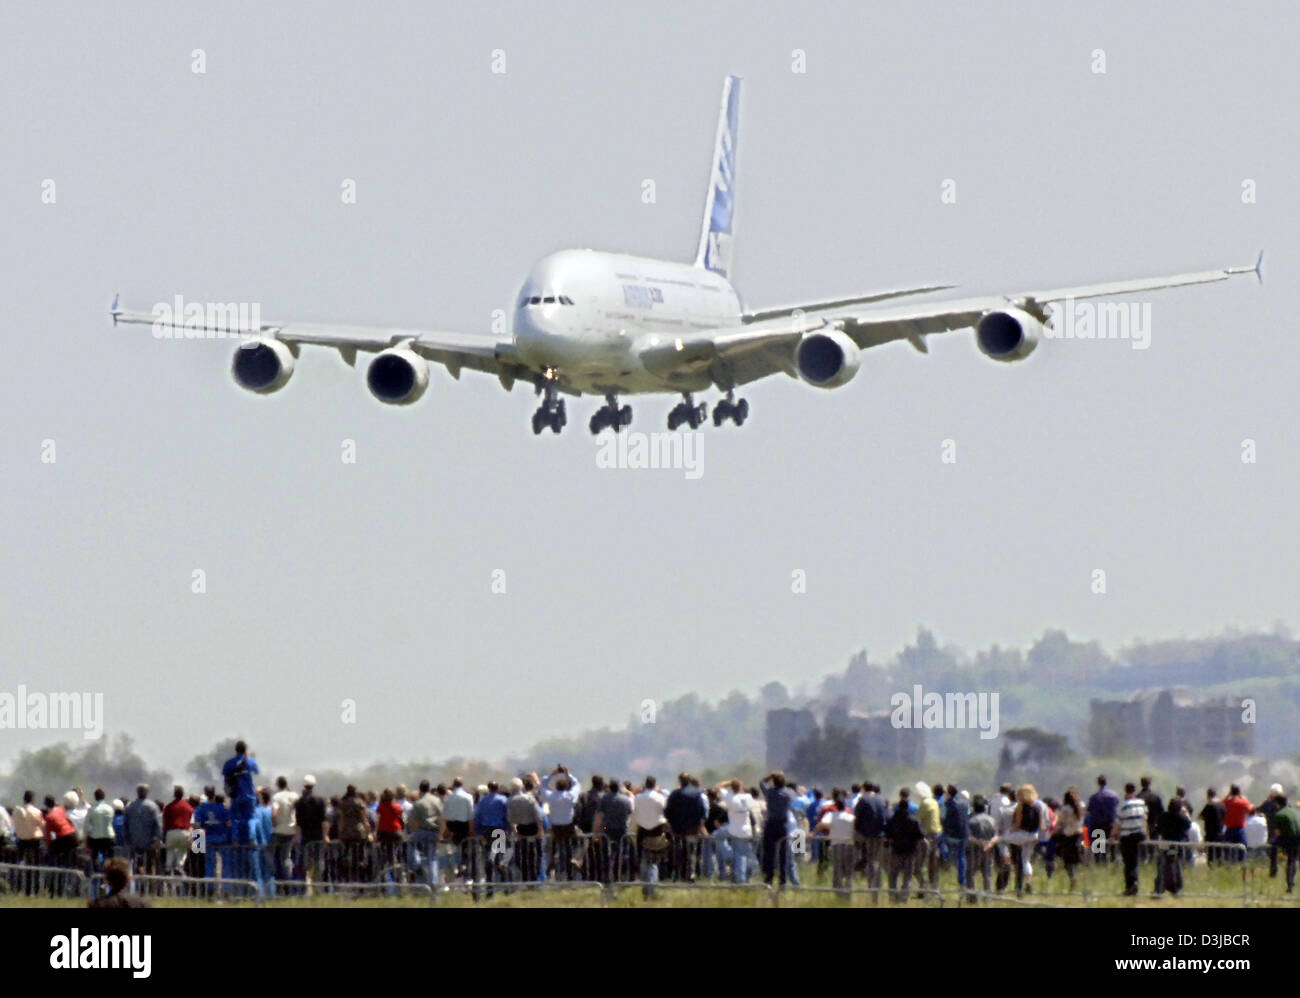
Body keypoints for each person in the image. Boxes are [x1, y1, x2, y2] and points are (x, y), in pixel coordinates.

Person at [221, 741, 261, 883]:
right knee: (250, 817)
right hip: (249, 796)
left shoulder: (230, 763)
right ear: (245, 750)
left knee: (235, 818)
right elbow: (257, 770)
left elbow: (224, 774)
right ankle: (251, 837)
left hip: (236, 796)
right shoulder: (249, 761)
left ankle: (236, 838)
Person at [540, 766, 582, 881]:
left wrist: (551, 775)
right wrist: (568, 775)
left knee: (556, 848)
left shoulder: (551, 796)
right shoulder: (570, 796)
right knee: (570, 848)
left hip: (555, 826)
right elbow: (577, 784)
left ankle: (556, 870)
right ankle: (569, 873)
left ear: (556, 787)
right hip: (568, 825)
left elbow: (542, 786)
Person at [758, 771, 798, 886]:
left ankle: (768, 881)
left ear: (773, 782)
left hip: (770, 825)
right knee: (783, 856)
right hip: (783, 826)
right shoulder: (788, 793)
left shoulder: (770, 792)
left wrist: (771, 775)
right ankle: (783, 882)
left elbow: (761, 783)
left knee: (768, 855)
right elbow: (794, 797)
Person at [665, 772, 706, 882]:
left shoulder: (674, 794)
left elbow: (668, 811)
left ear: (680, 781)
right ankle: (691, 874)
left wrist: (672, 823)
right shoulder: (697, 793)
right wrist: (698, 824)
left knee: (678, 850)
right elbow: (702, 810)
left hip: (678, 829)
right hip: (692, 828)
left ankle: (678, 874)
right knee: (691, 851)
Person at [632, 775, 669, 895]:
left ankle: (646, 887)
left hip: (642, 831)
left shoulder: (637, 797)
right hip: (657, 831)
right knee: (653, 862)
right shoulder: (660, 797)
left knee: (644, 861)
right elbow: (665, 812)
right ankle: (652, 889)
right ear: (654, 785)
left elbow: (634, 811)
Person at [885, 787, 923, 903]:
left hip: (896, 850)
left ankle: (892, 897)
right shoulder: (914, 820)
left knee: (893, 875)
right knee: (907, 876)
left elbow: (888, 834)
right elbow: (921, 835)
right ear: (907, 807)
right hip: (910, 851)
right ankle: (903, 898)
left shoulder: (892, 819)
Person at [814, 793, 856, 895]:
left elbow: (821, 824)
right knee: (848, 870)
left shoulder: (831, 815)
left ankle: (838, 892)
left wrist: (812, 833)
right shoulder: (851, 816)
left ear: (836, 806)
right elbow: (856, 826)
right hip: (849, 844)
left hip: (837, 844)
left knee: (838, 869)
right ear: (845, 806)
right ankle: (848, 891)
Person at [853, 781, 888, 899]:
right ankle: (878, 884)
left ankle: (872, 888)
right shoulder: (881, 799)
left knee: (870, 861)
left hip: (867, 835)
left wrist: (858, 832)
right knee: (877, 861)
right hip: (880, 835)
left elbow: (857, 817)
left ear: (863, 788)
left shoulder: (863, 800)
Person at [407, 779, 445, 887]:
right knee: (432, 858)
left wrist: (415, 833)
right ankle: (433, 883)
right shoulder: (437, 801)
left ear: (420, 790)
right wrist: (440, 834)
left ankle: (416, 864)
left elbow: (414, 823)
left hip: (423, 831)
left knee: (410, 842)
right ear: (429, 788)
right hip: (435, 831)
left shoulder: (418, 803)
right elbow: (443, 818)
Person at [716, 779, 755, 883]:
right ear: (741, 787)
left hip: (734, 829)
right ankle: (746, 876)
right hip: (746, 829)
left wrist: (728, 782)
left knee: (718, 835)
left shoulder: (730, 797)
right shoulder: (748, 797)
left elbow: (719, 786)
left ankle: (729, 857)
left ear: (732, 788)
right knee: (744, 854)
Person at [1153, 795, 1190, 897]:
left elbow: (1158, 829)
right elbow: (1188, 825)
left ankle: (1158, 890)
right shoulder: (1182, 818)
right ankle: (1177, 890)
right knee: (1178, 868)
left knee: (1161, 868)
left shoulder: (1163, 817)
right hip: (1178, 845)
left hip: (1165, 844)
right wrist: (1185, 812)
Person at [193, 788, 231, 881]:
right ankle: (226, 886)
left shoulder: (201, 809)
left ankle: (210, 886)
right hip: (222, 838)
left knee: (209, 864)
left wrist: (197, 843)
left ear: (206, 795)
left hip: (208, 839)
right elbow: (229, 824)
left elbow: (197, 825)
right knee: (225, 864)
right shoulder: (222, 808)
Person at [124, 783, 162, 876]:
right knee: (149, 867)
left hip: (134, 843)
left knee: (135, 867)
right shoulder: (153, 807)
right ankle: (148, 887)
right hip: (149, 844)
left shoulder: (130, 807)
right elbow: (158, 825)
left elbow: (125, 826)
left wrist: (127, 841)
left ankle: (138, 886)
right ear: (147, 793)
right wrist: (158, 840)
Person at [1117, 782, 1148, 896]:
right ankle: (1134, 883)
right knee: (1134, 861)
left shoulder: (1123, 805)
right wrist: (1147, 835)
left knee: (1128, 862)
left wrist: (1112, 835)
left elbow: (1118, 822)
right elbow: (1145, 819)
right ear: (1134, 791)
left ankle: (1130, 885)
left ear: (1126, 791)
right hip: (1139, 834)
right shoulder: (1141, 803)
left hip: (1127, 836)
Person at [1053, 786, 1085, 891]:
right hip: (1079, 834)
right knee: (1077, 859)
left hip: (1068, 836)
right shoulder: (1081, 806)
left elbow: (1060, 822)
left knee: (1068, 861)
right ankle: (1078, 876)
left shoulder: (1065, 809)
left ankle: (1072, 877)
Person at [270, 776, 299, 884]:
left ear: (278, 785)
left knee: (272, 855)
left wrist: (274, 824)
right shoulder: (294, 796)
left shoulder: (276, 797)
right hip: (290, 830)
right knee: (286, 857)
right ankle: (288, 881)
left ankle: (274, 880)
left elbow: (274, 813)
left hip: (278, 830)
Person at [967, 795, 997, 898]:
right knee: (987, 874)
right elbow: (996, 836)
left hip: (974, 850)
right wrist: (989, 844)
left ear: (974, 807)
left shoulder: (971, 820)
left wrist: (980, 843)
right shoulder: (992, 820)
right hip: (989, 849)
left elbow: (969, 837)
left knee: (970, 873)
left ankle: (972, 897)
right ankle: (988, 897)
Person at [941, 783, 970, 893]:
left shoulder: (946, 804)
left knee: (940, 840)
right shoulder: (965, 803)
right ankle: (962, 881)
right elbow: (967, 815)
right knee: (961, 856)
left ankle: (946, 857)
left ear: (948, 793)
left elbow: (942, 819)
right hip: (964, 834)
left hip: (952, 835)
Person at [161, 785, 194, 878]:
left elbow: (165, 822)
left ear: (174, 794)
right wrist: (192, 837)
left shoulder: (168, 807)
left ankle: (168, 867)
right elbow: (192, 823)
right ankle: (179, 866)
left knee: (170, 849)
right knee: (183, 850)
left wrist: (164, 835)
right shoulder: (188, 807)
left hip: (171, 832)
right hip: (184, 832)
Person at [1086, 775, 1119, 863]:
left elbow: (1089, 810)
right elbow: (1116, 808)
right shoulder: (1114, 796)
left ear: (1098, 783)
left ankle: (1099, 862)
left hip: (1097, 824)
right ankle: (1112, 861)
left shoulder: (1094, 797)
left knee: (1098, 846)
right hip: (1110, 824)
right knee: (1111, 844)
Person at [1270, 794, 1300, 893]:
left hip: (1288, 838)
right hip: (1298, 839)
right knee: (1292, 861)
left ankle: (1273, 867)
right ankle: (1290, 884)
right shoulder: (1295, 811)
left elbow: (1278, 832)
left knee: (1272, 845)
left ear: (1276, 803)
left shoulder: (1279, 814)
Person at [84, 788, 116, 874]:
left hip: (96, 838)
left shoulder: (91, 809)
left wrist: (86, 835)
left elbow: (86, 826)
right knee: (110, 859)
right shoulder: (110, 809)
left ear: (95, 797)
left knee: (94, 857)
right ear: (104, 797)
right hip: (109, 837)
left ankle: (96, 873)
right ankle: (109, 874)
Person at [1222, 785, 1252, 851]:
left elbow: (1221, 803)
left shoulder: (1226, 802)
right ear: (1239, 792)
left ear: (1231, 792)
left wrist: (1227, 796)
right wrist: (1243, 797)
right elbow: (1250, 809)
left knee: (1228, 850)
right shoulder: (1243, 802)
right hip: (1239, 829)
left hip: (1229, 829)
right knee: (1242, 849)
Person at [1200, 788, 1226, 862]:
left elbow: (1200, 816)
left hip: (1210, 835)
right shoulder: (1222, 805)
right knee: (1220, 856)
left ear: (1208, 795)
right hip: (1220, 834)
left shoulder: (1209, 805)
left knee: (1211, 858)